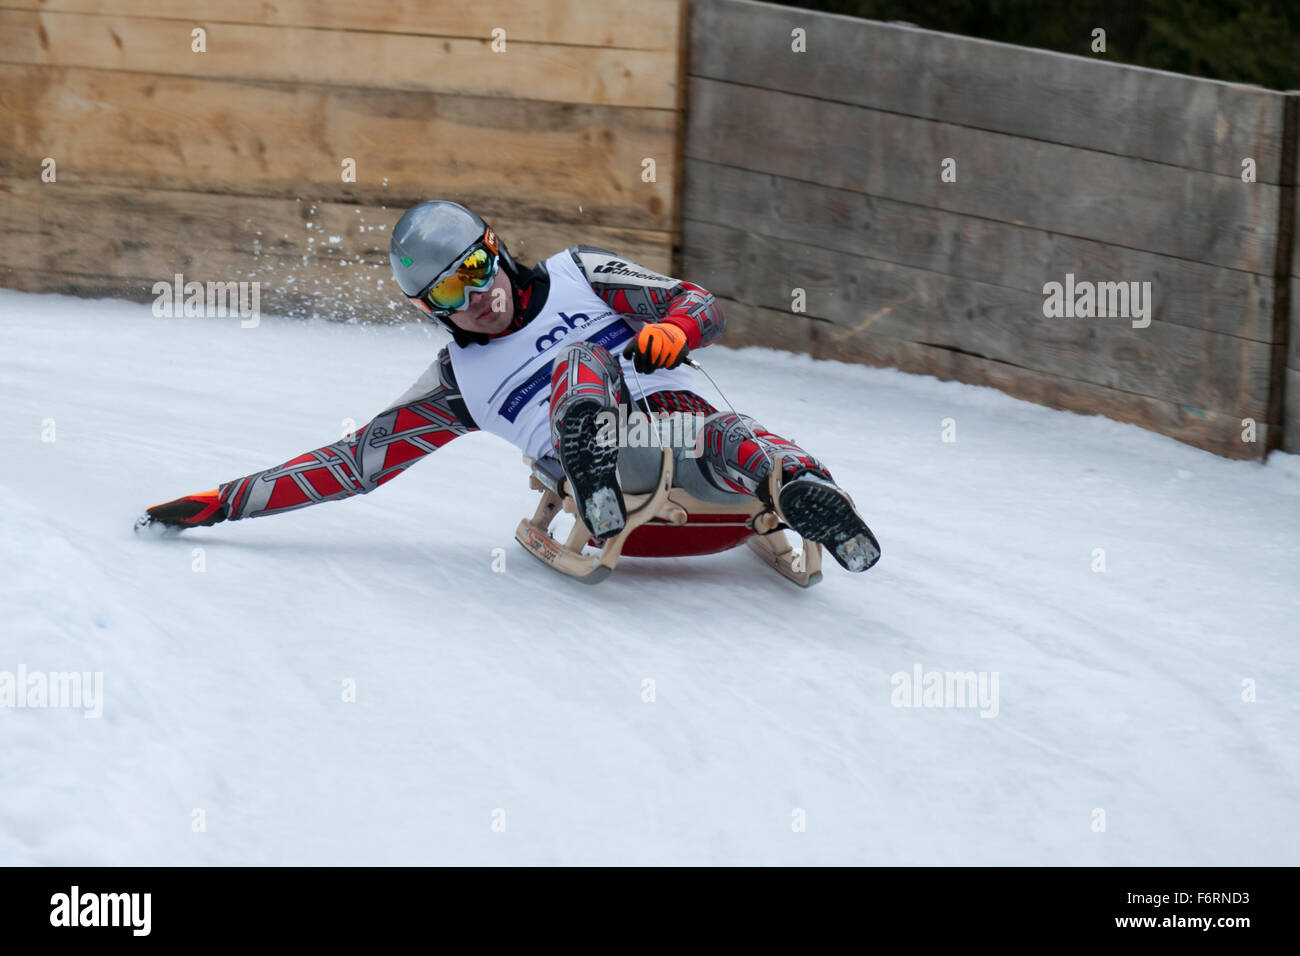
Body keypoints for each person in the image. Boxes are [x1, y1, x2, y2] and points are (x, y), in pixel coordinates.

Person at [136, 201, 881, 572]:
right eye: (448, 295)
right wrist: (219, 505)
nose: (477, 297)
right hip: (609, 493)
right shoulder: (458, 382)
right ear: (427, 310)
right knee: (580, 366)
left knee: (730, 433)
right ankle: (592, 468)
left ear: (495, 249)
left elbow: (701, 303)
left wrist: (673, 333)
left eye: (475, 269)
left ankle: (814, 501)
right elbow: (353, 466)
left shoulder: (579, 274)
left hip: (690, 460)